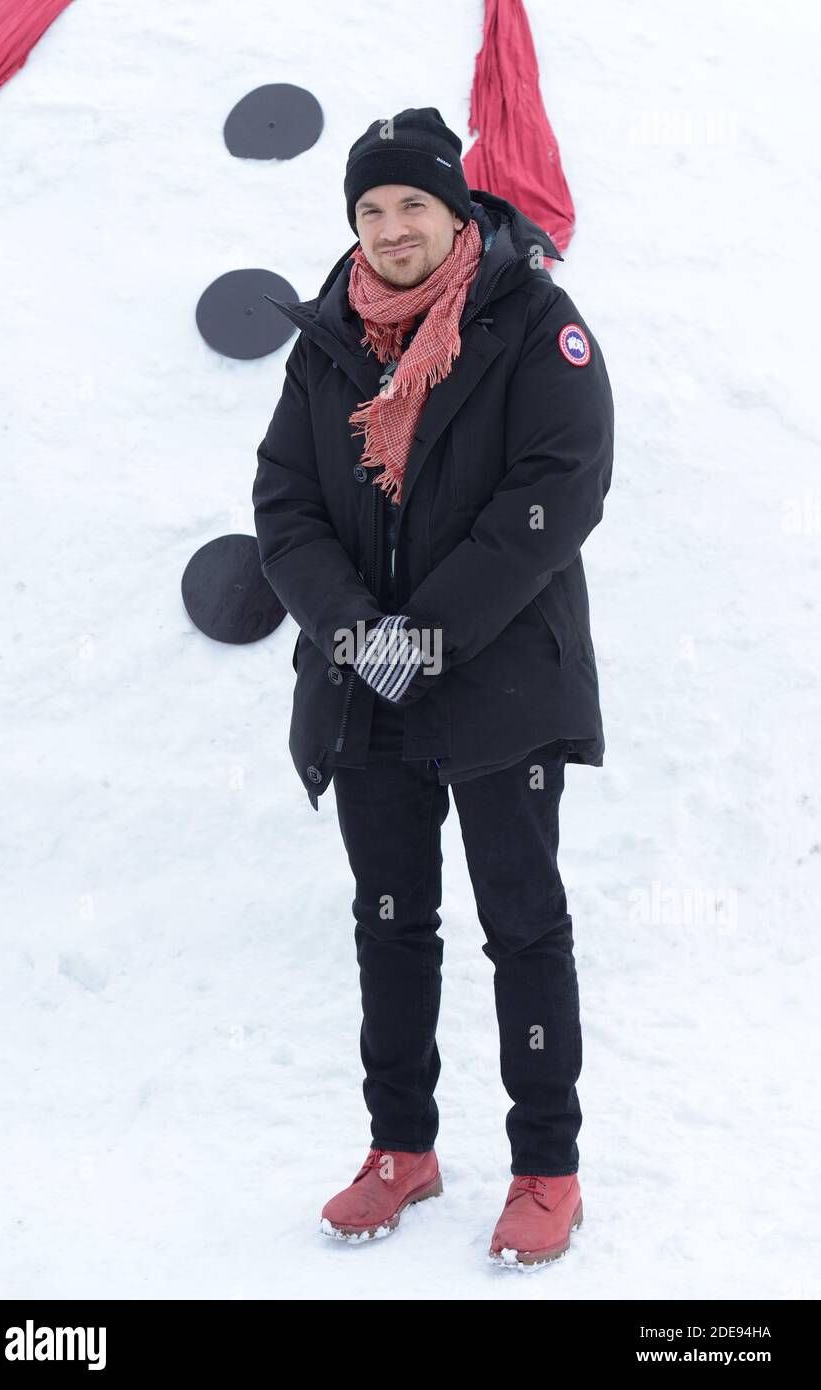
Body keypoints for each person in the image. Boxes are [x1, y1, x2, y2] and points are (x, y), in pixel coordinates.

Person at [252, 106, 614, 1266]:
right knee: (391, 923)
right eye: (370, 209)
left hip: (501, 680)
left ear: (456, 211)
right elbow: (284, 503)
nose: (391, 227)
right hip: (366, 686)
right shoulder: (327, 341)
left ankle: (544, 1167)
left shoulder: (532, 321)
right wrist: (361, 633)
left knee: (522, 923)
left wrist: (434, 630)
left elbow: (558, 487)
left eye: (412, 203)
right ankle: (400, 1149)